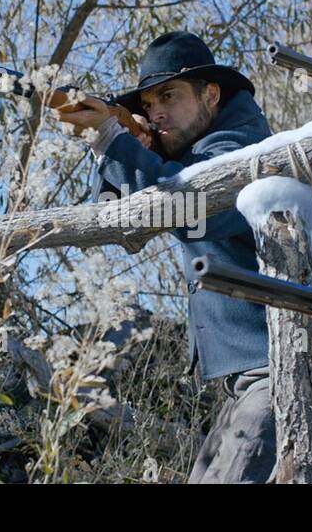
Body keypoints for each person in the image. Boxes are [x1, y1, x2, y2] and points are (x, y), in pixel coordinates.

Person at [56, 31, 280, 482]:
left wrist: (114, 141)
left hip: (275, 372)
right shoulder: (191, 155)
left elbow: (193, 208)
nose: (156, 111)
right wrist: (115, 144)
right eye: (147, 103)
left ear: (211, 94)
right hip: (245, 381)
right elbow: (119, 217)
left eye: (169, 96)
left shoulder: (242, 145)